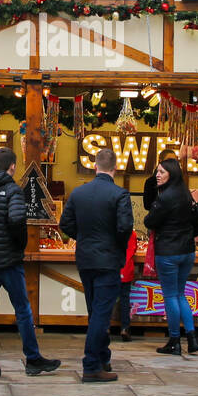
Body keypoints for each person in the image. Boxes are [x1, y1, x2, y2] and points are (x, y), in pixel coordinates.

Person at [0, 147, 60, 380]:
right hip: (8, 259)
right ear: (12, 166)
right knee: (22, 309)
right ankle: (33, 358)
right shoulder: (13, 190)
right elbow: (17, 220)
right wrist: (19, 244)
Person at [60, 147, 133, 382]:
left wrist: (81, 237)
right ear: (115, 168)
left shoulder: (78, 193)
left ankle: (103, 356)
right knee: (101, 314)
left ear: (95, 167)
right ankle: (91, 365)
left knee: (95, 310)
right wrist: (115, 245)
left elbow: (65, 223)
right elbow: (125, 228)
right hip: (108, 260)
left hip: (85, 258)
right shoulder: (120, 194)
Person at [144, 156, 198, 356]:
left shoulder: (165, 198)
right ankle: (192, 338)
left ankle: (174, 340)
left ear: (171, 174)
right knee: (180, 294)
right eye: (157, 171)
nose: (157, 175)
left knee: (170, 296)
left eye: (161, 172)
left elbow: (150, 221)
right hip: (188, 250)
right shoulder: (186, 194)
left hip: (168, 252)